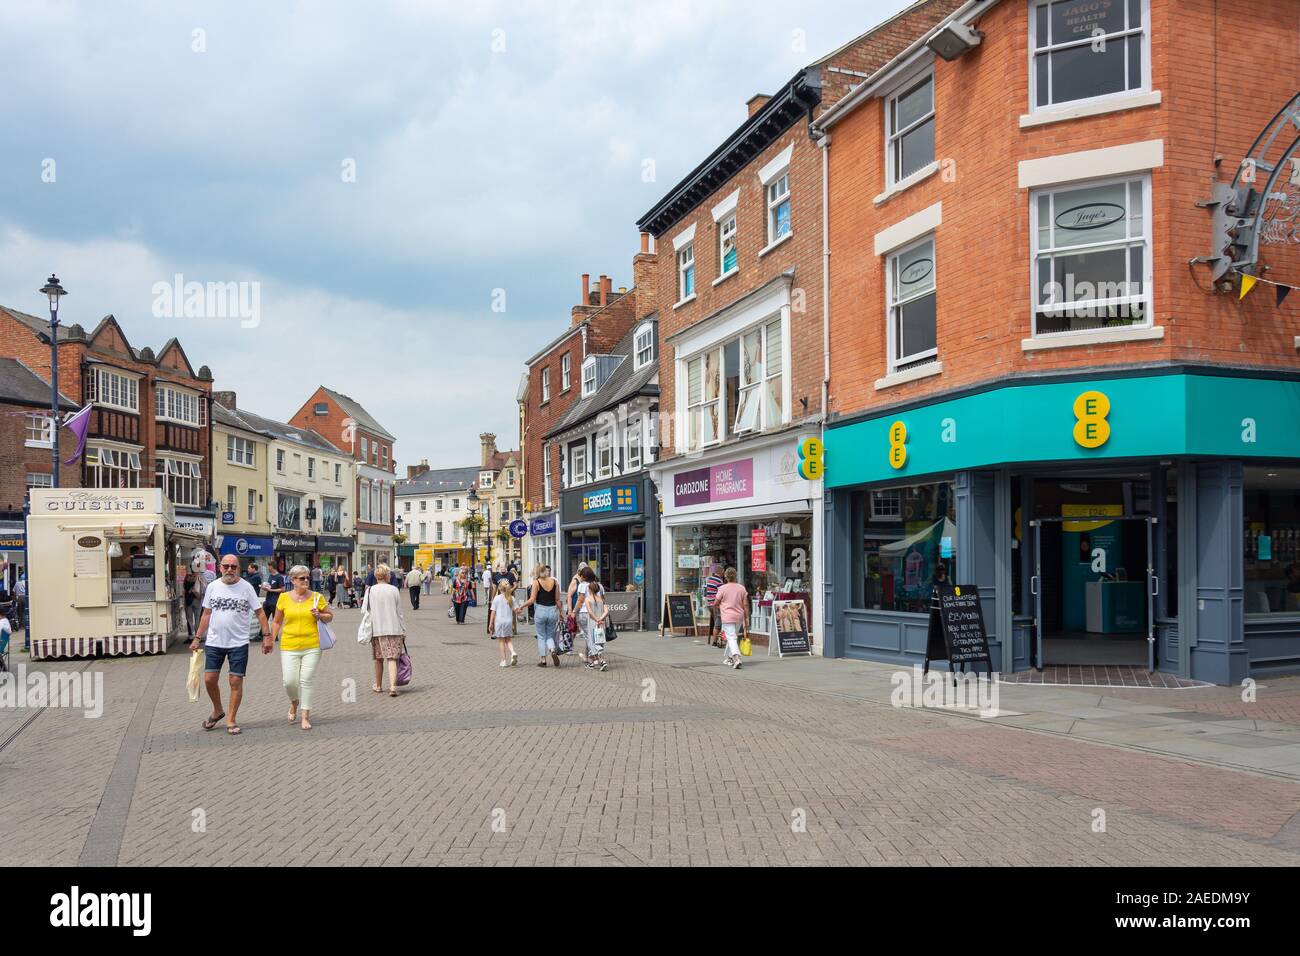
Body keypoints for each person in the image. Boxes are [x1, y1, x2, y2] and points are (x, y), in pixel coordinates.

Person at [190, 556, 272, 735]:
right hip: (214, 641)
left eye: (233, 567)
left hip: (238, 642)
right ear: (220, 568)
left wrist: (267, 636)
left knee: (235, 681)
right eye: (226, 566)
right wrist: (197, 637)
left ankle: (231, 719)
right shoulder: (213, 587)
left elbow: (260, 613)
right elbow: (205, 614)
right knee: (209, 679)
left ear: (238, 568)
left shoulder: (246, 587)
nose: (229, 569)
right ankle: (218, 710)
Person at [271, 565, 332, 730]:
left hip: (312, 645)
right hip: (289, 645)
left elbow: (329, 617)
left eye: (307, 578)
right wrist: (269, 638)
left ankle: (305, 716)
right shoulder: (283, 598)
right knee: (289, 682)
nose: (306, 581)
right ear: (293, 581)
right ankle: (294, 702)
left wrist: (319, 615)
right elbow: (277, 621)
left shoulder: (317, 597)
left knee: (306, 680)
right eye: (301, 578)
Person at [363, 564, 407, 696]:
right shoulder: (394, 590)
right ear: (387, 575)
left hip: (378, 629)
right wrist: (403, 629)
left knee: (378, 658)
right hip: (394, 628)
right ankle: (393, 687)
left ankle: (378, 685)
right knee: (392, 658)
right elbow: (399, 612)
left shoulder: (370, 591)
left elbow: (365, 611)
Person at [519, 564, 561, 667]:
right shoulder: (555, 582)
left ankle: (543, 660)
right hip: (552, 611)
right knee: (550, 635)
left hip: (541, 611)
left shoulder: (536, 583)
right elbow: (558, 600)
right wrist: (562, 613)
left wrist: (521, 606)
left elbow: (532, 600)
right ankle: (552, 649)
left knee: (541, 636)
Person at [713, 567, 747, 670]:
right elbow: (745, 604)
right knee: (732, 637)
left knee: (731, 637)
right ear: (735, 576)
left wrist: (721, 606)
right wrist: (747, 618)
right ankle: (729, 658)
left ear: (725, 577)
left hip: (727, 616)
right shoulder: (741, 588)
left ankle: (736, 657)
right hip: (739, 616)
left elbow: (715, 603)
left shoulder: (722, 588)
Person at [582, 571, 610, 671]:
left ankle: (602, 660)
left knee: (592, 642)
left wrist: (596, 619)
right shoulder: (601, 599)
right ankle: (593, 662)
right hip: (601, 623)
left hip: (593, 623)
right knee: (600, 641)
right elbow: (606, 611)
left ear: (590, 589)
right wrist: (601, 619)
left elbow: (589, 612)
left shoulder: (588, 599)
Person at [489, 580, 519, 668]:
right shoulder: (511, 598)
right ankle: (513, 652)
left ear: (499, 588)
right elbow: (516, 610)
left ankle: (503, 661)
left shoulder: (497, 598)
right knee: (508, 639)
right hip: (508, 622)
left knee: (501, 641)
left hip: (499, 622)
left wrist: (491, 624)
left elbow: (493, 612)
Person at [704, 563, 725, 648]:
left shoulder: (709, 579)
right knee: (718, 624)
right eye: (723, 571)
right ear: (721, 572)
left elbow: (705, 592)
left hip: (709, 604)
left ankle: (718, 640)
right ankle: (715, 642)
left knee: (716, 622)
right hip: (716, 605)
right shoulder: (719, 581)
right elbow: (721, 594)